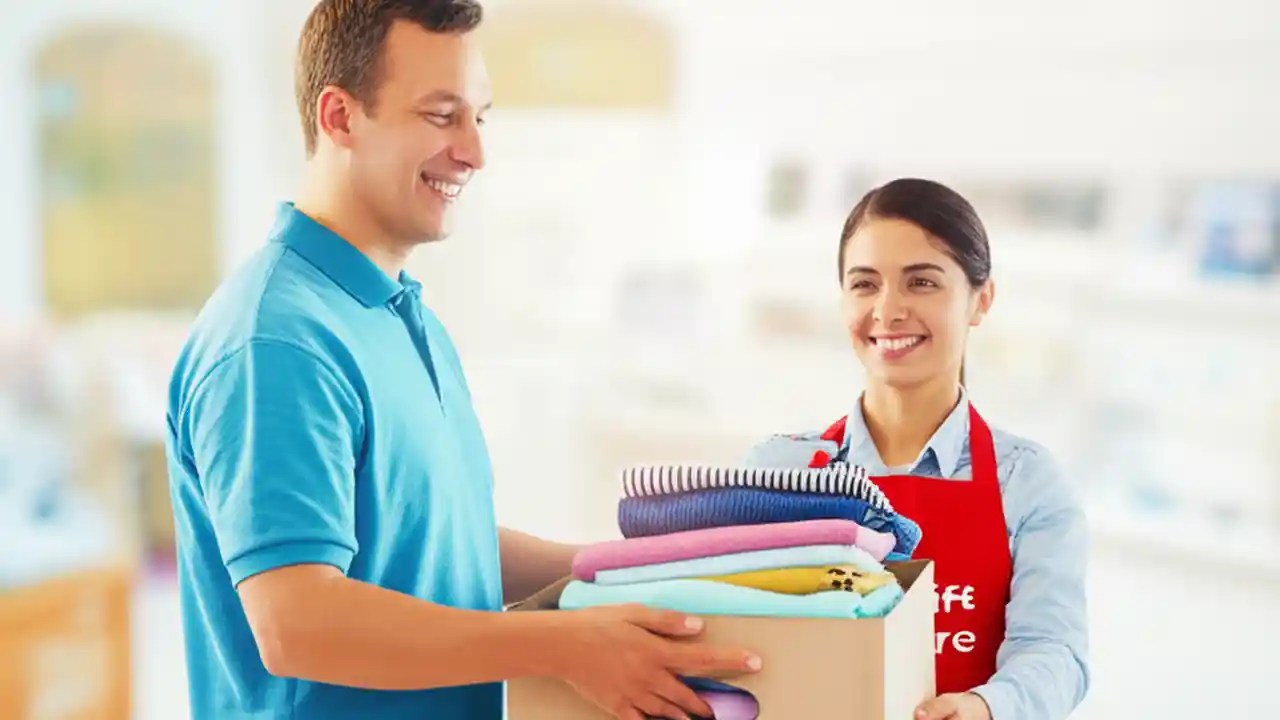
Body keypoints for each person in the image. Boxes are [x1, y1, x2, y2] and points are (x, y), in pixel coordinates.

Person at [163, 2, 758, 719]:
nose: (475, 152)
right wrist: (563, 645)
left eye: (480, 117)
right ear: (340, 117)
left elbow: (433, 549)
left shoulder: (396, 312)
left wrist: (620, 571)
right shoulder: (276, 341)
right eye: (442, 116)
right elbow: (298, 623)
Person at [745, 178, 1090, 720]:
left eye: (922, 282)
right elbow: (737, 634)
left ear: (981, 300)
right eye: (865, 284)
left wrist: (985, 707)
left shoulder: (1025, 480)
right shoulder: (777, 472)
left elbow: (1055, 652)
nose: (888, 310)